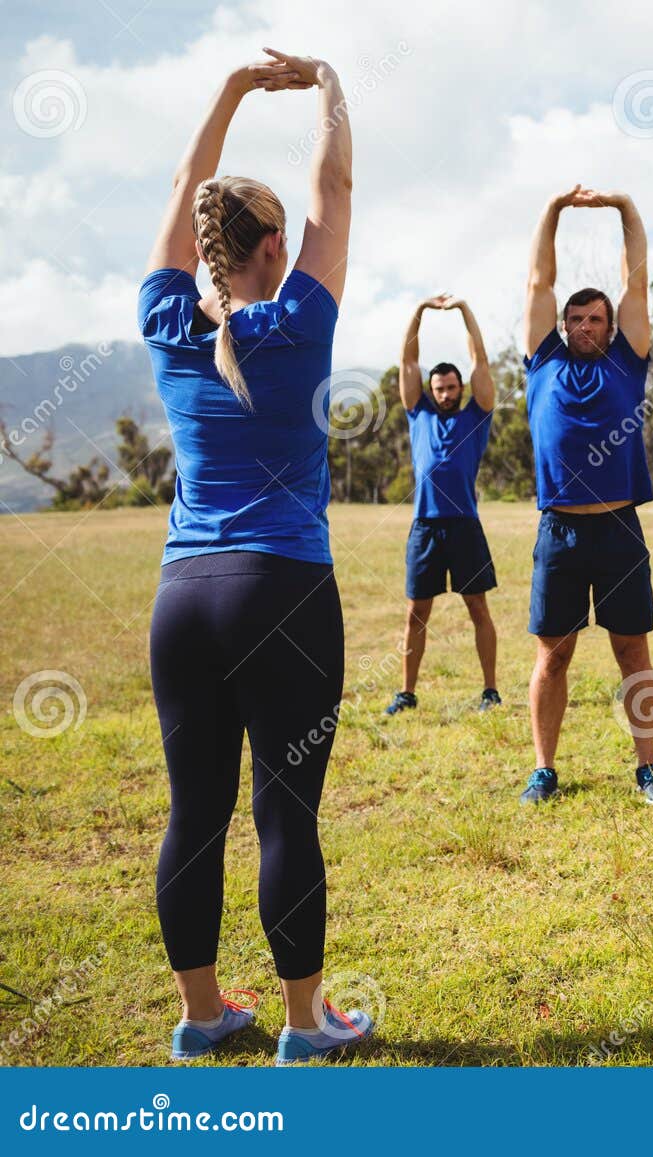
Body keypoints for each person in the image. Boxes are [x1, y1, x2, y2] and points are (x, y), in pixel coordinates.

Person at [139, 51, 374, 1065]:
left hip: (183, 595)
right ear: (275, 245)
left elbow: (182, 191)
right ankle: (304, 1023)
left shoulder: (164, 320)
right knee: (286, 810)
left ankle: (200, 1017)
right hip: (281, 589)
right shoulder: (299, 319)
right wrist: (324, 84)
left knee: (196, 809)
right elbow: (340, 189)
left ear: (202, 243)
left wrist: (231, 92)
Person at [517, 185, 653, 806]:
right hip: (559, 531)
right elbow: (538, 279)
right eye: (575, 319)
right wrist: (553, 207)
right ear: (562, 326)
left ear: (611, 328)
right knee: (552, 658)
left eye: (595, 319)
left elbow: (637, 281)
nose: (584, 326)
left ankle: (648, 769)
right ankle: (544, 770)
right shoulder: (542, 360)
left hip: (618, 529)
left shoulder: (625, 361)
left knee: (632, 650)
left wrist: (625, 209)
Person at [383, 294, 501, 716]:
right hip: (425, 527)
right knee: (416, 613)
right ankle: (407, 693)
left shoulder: (477, 414)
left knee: (477, 608)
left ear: (461, 389)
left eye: (452, 387)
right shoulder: (419, 413)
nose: (446, 393)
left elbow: (481, 361)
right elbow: (407, 362)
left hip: (465, 525)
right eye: (440, 388)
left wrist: (466, 310)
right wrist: (418, 311)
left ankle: (491, 690)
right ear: (430, 392)